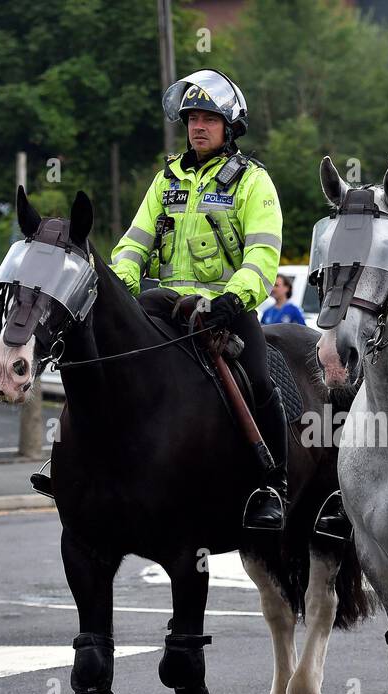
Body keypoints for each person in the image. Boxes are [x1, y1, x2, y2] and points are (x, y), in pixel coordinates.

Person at [110, 69, 287, 531]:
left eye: (209, 118)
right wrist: (119, 285)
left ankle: (273, 486)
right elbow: (133, 244)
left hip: (225, 313)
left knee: (262, 384)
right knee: (112, 360)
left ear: (230, 126)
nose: (198, 127)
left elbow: (263, 256)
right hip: (165, 307)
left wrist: (233, 300)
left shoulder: (253, 182)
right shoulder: (165, 178)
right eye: (192, 118)